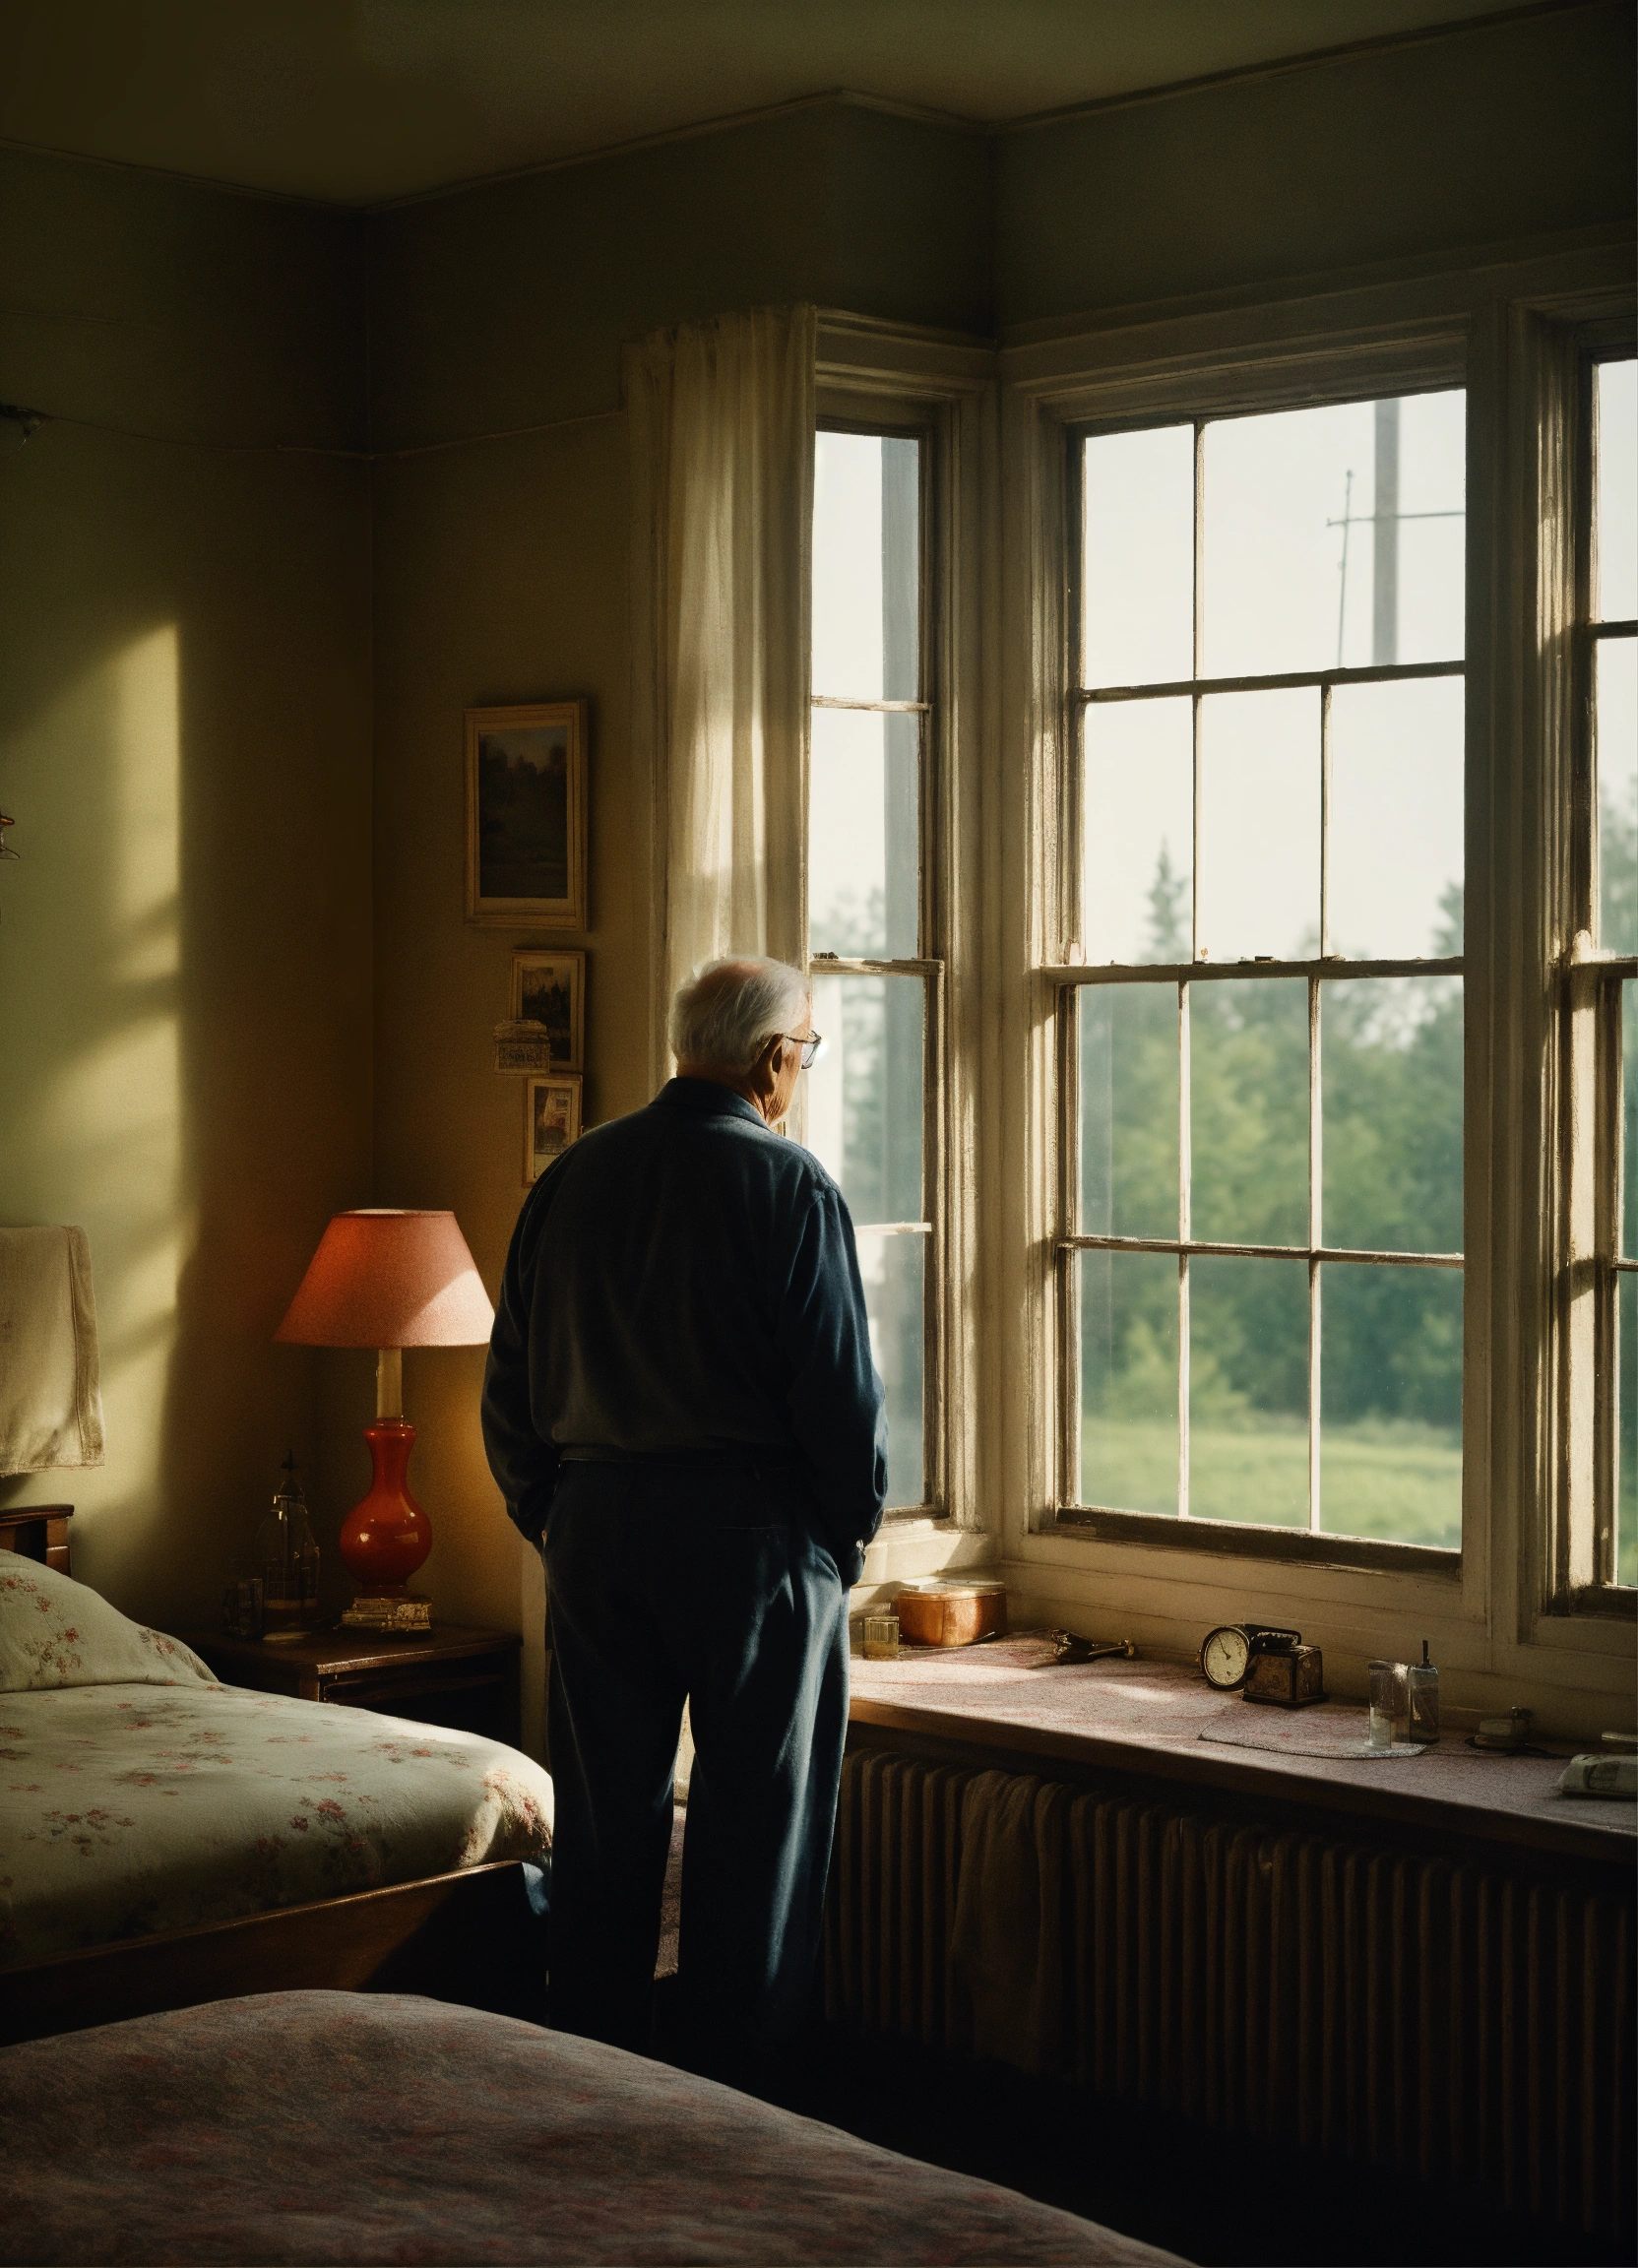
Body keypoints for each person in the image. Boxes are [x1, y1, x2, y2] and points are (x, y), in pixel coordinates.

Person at [481, 955, 887, 2080]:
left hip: (598, 1529)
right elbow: (838, 1402)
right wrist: (836, 1543)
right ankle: (737, 2093)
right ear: (771, 1059)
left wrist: (556, 1518)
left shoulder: (572, 1178)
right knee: (754, 1840)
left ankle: (596, 2079)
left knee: (606, 1829)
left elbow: (508, 1387)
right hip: (752, 1539)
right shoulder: (787, 1186)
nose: (799, 1074)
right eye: (803, 1053)